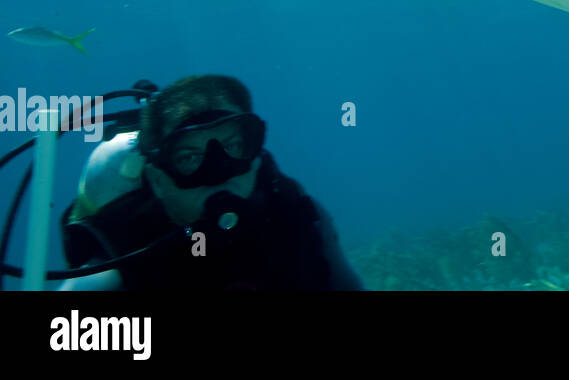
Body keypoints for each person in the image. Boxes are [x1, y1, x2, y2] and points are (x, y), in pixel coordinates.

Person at [59, 74, 363, 290]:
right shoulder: (125, 252)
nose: (220, 174)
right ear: (158, 179)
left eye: (232, 147)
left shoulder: (299, 217)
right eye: (190, 158)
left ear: (255, 156)